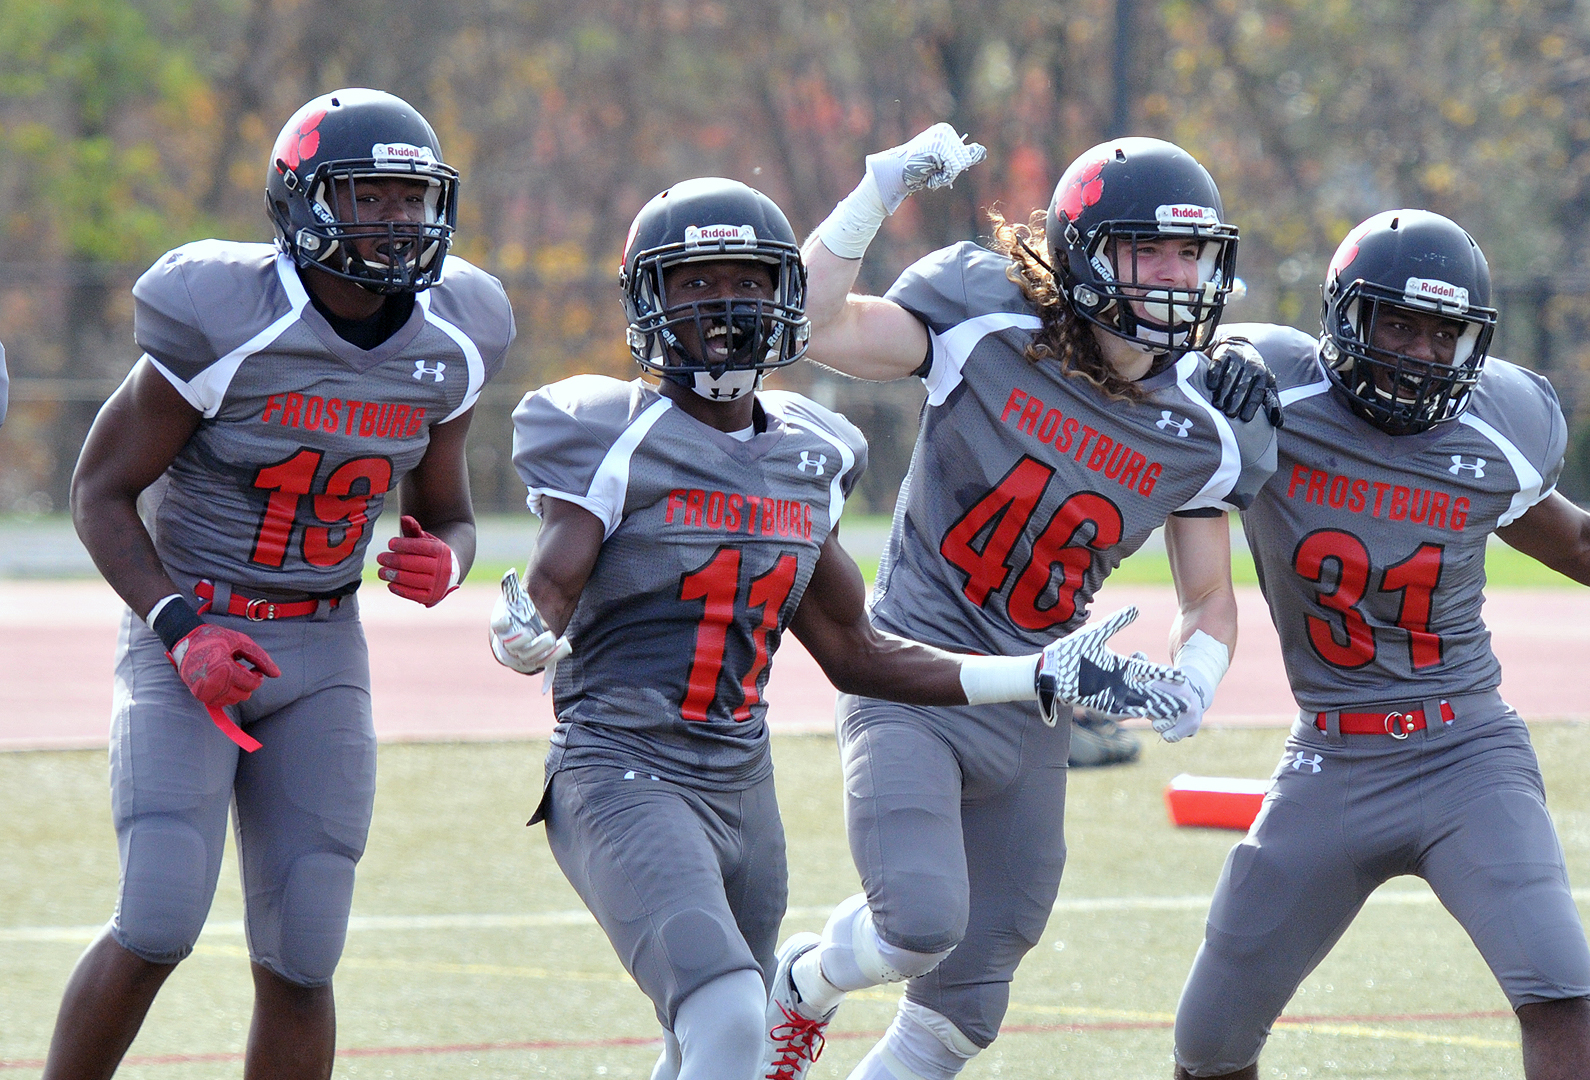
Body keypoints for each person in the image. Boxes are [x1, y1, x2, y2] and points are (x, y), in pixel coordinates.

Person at [489, 177, 1189, 1080]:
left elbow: (856, 652)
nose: (725, 307)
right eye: (696, 285)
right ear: (648, 300)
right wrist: (519, 635)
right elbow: (548, 590)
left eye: (745, 281)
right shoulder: (608, 431)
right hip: (623, 768)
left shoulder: (809, 454)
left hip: (743, 783)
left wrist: (1034, 674)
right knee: (733, 1020)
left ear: (781, 292)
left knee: (702, 1043)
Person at [1174, 208, 1590, 1080]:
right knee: (1209, 1041)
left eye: (1442, 333)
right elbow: (1151, 372)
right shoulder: (1276, 393)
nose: (1416, 352)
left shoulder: (1494, 429)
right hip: (1330, 759)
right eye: (1396, 323)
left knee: (1555, 979)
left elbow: (1585, 543)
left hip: (1465, 752)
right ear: (1343, 318)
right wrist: (1214, 362)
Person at [758, 128, 1280, 1080]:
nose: (1175, 275)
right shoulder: (984, 315)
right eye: (1147, 250)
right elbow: (805, 325)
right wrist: (873, 192)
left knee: (972, 997)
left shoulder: (1208, 421)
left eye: (1191, 252)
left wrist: (1197, 675)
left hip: (1035, 697)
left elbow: (1208, 595)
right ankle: (801, 982)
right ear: (1084, 252)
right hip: (913, 666)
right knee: (917, 923)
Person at [49, 88, 511, 1079]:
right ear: (300, 202)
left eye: (409, 200)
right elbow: (98, 492)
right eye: (367, 197)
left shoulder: (456, 332)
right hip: (193, 637)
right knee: (159, 919)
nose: (394, 222)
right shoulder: (224, 317)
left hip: (323, 644)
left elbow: (452, 515)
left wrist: (449, 561)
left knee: (304, 949)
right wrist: (180, 630)